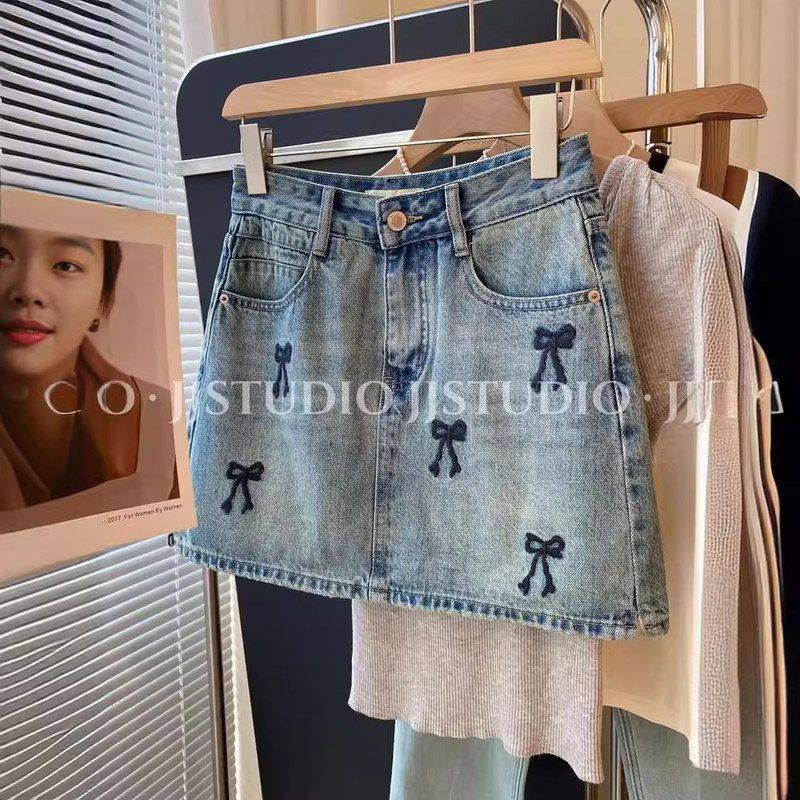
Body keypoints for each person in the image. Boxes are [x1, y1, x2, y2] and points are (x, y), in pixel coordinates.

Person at [0, 224, 177, 533]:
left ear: (102, 301)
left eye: (66, 265)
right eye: (2, 254)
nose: (28, 290)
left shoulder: (155, 416)